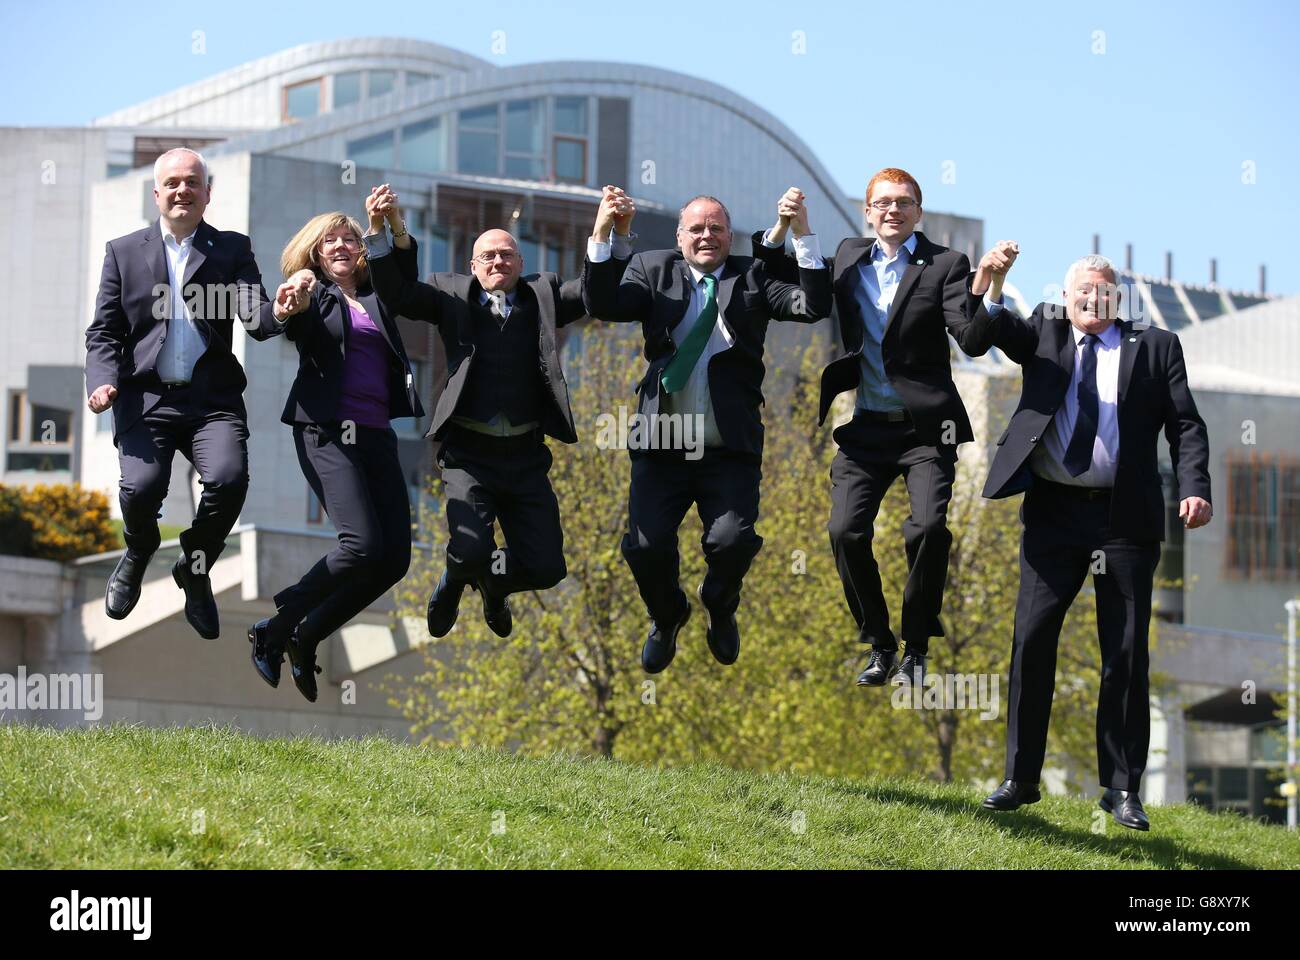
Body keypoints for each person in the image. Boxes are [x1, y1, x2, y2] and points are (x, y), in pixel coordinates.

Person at [975, 247, 1212, 832]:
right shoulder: (1044, 331)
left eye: (1103, 292)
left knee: (1126, 653)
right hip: (1054, 514)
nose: (1092, 301)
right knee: (1032, 641)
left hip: (1124, 520)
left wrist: (1195, 485)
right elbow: (987, 330)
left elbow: (1185, 424)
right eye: (1083, 292)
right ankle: (1020, 777)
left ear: (1117, 298)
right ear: (1067, 294)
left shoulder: (1156, 347)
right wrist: (995, 285)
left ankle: (1122, 788)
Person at [756, 168, 1000, 689]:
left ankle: (916, 647)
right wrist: (789, 227)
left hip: (925, 432)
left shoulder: (945, 264)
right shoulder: (847, 255)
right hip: (866, 428)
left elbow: (971, 338)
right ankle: (879, 642)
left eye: (904, 203)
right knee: (845, 531)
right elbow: (779, 273)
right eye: (883, 203)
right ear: (868, 212)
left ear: (919, 211)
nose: (893, 211)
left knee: (929, 528)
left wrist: (990, 288)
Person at [582, 186, 832, 674]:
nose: (706, 236)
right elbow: (604, 303)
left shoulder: (754, 277)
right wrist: (601, 232)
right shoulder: (653, 270)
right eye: (696, 228)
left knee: (731, 542)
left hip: (727, 449)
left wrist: (802, 234)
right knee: (645, 546)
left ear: (729, 235)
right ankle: (666, 615)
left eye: (716, 228)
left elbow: (812, 306)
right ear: (680, 237)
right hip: (663, 447)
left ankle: (719, 603)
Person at [86, 147, 297, 639]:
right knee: (141, 489)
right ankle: (138, 549)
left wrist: (282, 309)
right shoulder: (123, 251)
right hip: (146, 398)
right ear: (156, 193)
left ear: (207, 193)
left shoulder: (231, 249)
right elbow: (104, 332)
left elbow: (256, 319)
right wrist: (100, 380)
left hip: (211, 402)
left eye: (193, 182)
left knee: (228, 479)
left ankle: (194, 566)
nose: (183, 190)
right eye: (173, 183)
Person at [362, 196, 587, 641]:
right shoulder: (451, 295)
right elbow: (398, 294)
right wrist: (381, 232)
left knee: (547, 567)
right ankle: (454, 580)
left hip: (525, 456)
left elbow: (594, 293)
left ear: (521, 262)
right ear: (473, 265)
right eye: (488, 256)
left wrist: (606, 233)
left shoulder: (542, 297)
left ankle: (494, 586)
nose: (498, 261)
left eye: (506, 254)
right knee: (468, 548)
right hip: (470, 454)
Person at [246, 186, 425, 702]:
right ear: (316, 254)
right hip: (325, 432)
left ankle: (302, 636)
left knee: (392, 560)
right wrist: (289, 299)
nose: (343, 246)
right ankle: (277, 625)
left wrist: (390, 224)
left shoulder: (378, 293)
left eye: (351, 239)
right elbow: (277, 314)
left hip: (377, 436)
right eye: (331, 241)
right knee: (361, 545)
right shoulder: (312, 292)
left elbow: (405, 274)